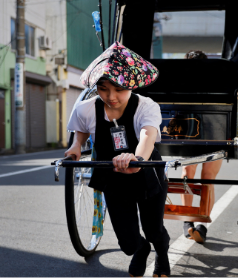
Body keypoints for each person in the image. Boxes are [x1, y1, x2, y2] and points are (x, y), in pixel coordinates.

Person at [63, 44, 169, 276]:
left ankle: (162, 254)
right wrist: (75, 147)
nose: (111, 97)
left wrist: (137, 158)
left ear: (131, 85)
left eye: (118, 89)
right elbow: (79, 132)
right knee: (128, 243)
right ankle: (141, 250)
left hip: (147, 174)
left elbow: (148, 136)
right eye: (103, 89)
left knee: (153, 230)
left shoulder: (146, 106)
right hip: (112, 178)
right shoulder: (85, 108)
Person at [179, 50, 222, 244]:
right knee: (207, 178)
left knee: (190, 174)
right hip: (216, 129)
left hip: (191, 130)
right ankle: (197, 224)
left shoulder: (181, 81)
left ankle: (191, 221)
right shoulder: (217, 79)